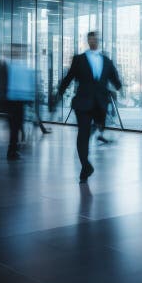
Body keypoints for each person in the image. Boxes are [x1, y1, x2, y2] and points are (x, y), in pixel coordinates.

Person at [55, 31, 122, 183]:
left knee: (97, 127)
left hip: (100, 104)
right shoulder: (79, 59)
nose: (93, 41)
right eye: (90, 39)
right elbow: (69, 76)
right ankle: (85, 166)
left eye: (95, 39)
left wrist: (117, 86)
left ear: (98, 41)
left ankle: (96, 132)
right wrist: (60, 91)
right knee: (83, 134)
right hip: (83, 103)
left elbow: (116, 80)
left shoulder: (106, 61)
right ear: (87, 41)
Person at [4, 43, 36, 159]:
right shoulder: (10, 66)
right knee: (15, 127)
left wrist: (30, 98)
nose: (18, 53)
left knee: (16, 127)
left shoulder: (20, 67)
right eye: (15, 51)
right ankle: (12, 150)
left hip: (17, 101)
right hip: (12, 101)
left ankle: (13, 149)